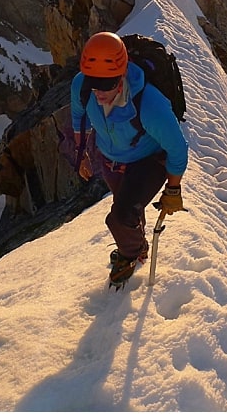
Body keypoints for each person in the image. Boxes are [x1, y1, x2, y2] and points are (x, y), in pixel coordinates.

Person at [70, 31, 189, 286]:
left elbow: (178, 149)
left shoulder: (149, 103)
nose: (99, 92)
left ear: (122, 74)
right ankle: (136, 238)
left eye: (108, 84)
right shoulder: (82, 85)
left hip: (149, 160)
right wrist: (81, 155)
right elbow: (78, 117)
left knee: (120, 216)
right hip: (110, 159)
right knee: (128, 206)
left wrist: (173, 188)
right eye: (94, 82)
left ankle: (131, 254)